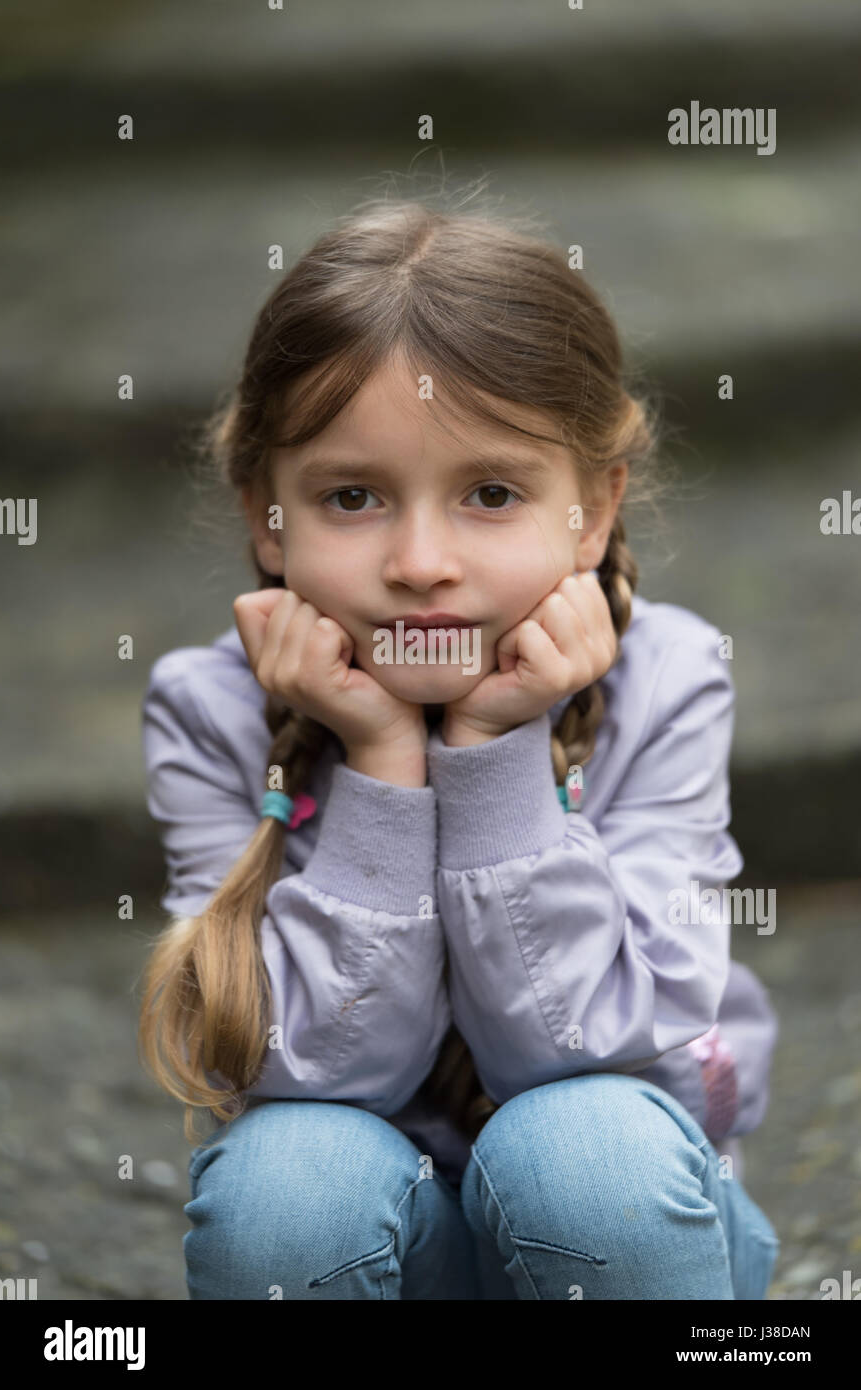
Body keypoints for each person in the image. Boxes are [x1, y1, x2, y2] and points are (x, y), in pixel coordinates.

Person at [138, 193, 780, 1300]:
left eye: (490, 492)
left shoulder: (664, 679)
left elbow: (596, 1055)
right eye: (351, 496)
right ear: (266, 514)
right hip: (386, 1244)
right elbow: (301, 1073)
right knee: (285, 1177)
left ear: (591, 508)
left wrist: (493, 748)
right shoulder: (211, 711)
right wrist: (382, 758)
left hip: (632, 1232)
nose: (421, 561)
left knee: (583, 1148)